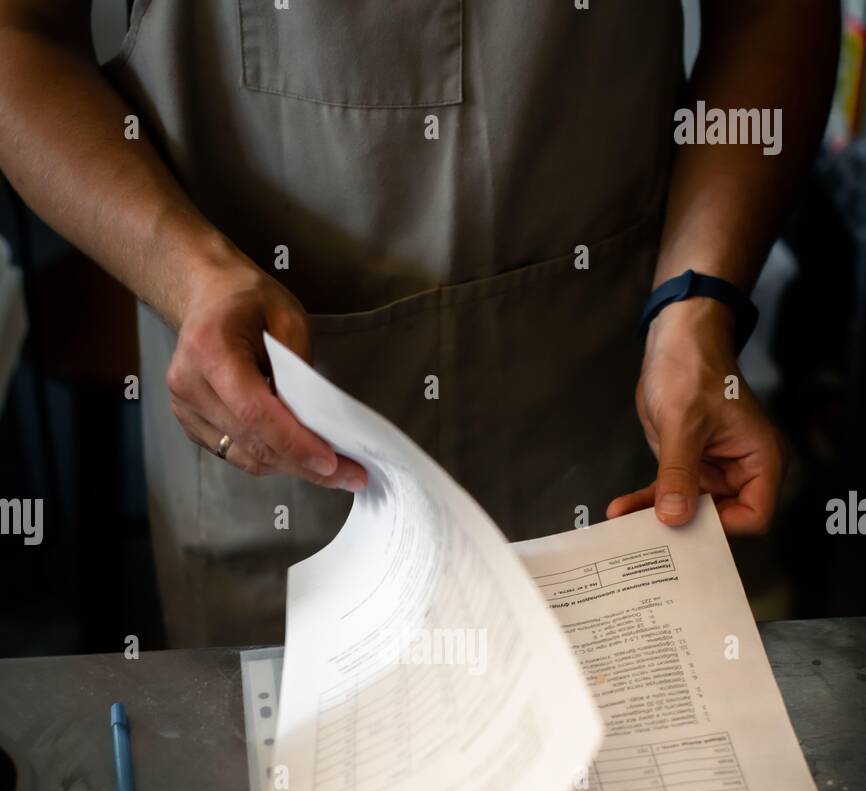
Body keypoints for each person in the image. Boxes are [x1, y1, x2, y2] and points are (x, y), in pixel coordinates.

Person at [0, 1, 838, 646]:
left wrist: (697, 302)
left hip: (614, 414)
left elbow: (772, 12)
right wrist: (190, 275)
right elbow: (20, 36)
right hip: (277, 448)